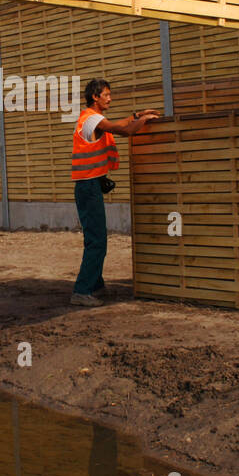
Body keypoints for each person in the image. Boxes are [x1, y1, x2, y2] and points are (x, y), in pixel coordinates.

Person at [70, 79, 159, 307]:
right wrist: (143, 121)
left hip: (89, 186)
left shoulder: (90, 117)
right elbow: (122, 130)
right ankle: (82, 290)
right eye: (106, 95)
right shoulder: (92, 119)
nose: (110, 98)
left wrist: (137, 114)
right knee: (97, 240)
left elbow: (115, 123)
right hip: (88, 187)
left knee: (95, 237)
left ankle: (95, 284)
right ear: (95, 98)